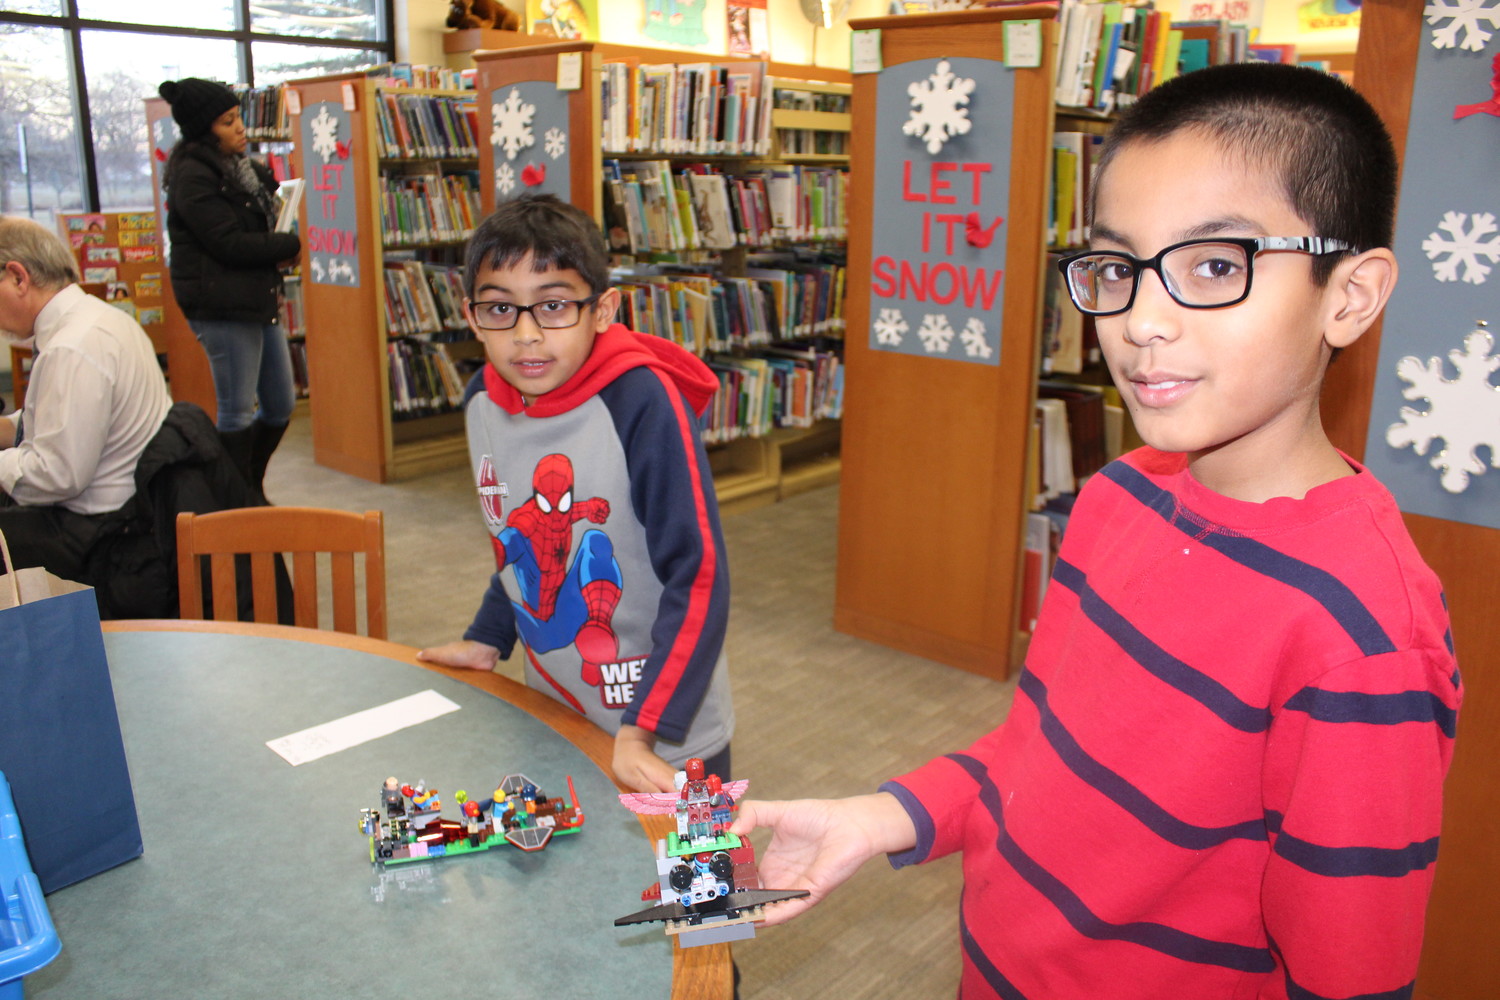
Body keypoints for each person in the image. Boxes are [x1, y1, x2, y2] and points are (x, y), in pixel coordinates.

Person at [731, 63, 1463, 1000]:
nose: (1141, 322)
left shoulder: (1361, 636)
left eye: (1213, 265)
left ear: (1349, 296)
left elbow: (1349, 980)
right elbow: (1037, 752)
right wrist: (883, 817)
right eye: (1119, 267)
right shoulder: (1122, 493)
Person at [418, 194, 734, 794]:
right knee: (587, 875)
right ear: (471, 315)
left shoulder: (642, 402)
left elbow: (698, 575)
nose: (528, 335)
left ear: (603, 309)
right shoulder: (482, 403)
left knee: (704, 883)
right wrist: (488, 638)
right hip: (562, 703)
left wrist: (642, 731)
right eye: (500, 310)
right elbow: (515, 546)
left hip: (668, 724)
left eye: (555, 305)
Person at [0, 216, 172, 585]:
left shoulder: (72, 346)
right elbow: (65, 418)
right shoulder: (99, 319)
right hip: (125, 512)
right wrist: (8, 429)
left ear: (18, 277)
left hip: (103, 535)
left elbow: (56, 475)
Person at [159, 77, 301, 500]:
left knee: (280, 403)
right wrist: (287, 244)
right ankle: (237, 502)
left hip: (254, 297)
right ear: (205, 129)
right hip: (220, 304)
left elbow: (253, 216)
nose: (241, 128)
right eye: (228, 121)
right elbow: (227, 243)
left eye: (238, 117)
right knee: (237, 410)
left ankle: (246, 484)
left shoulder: (238, 167)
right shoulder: (192, 175)